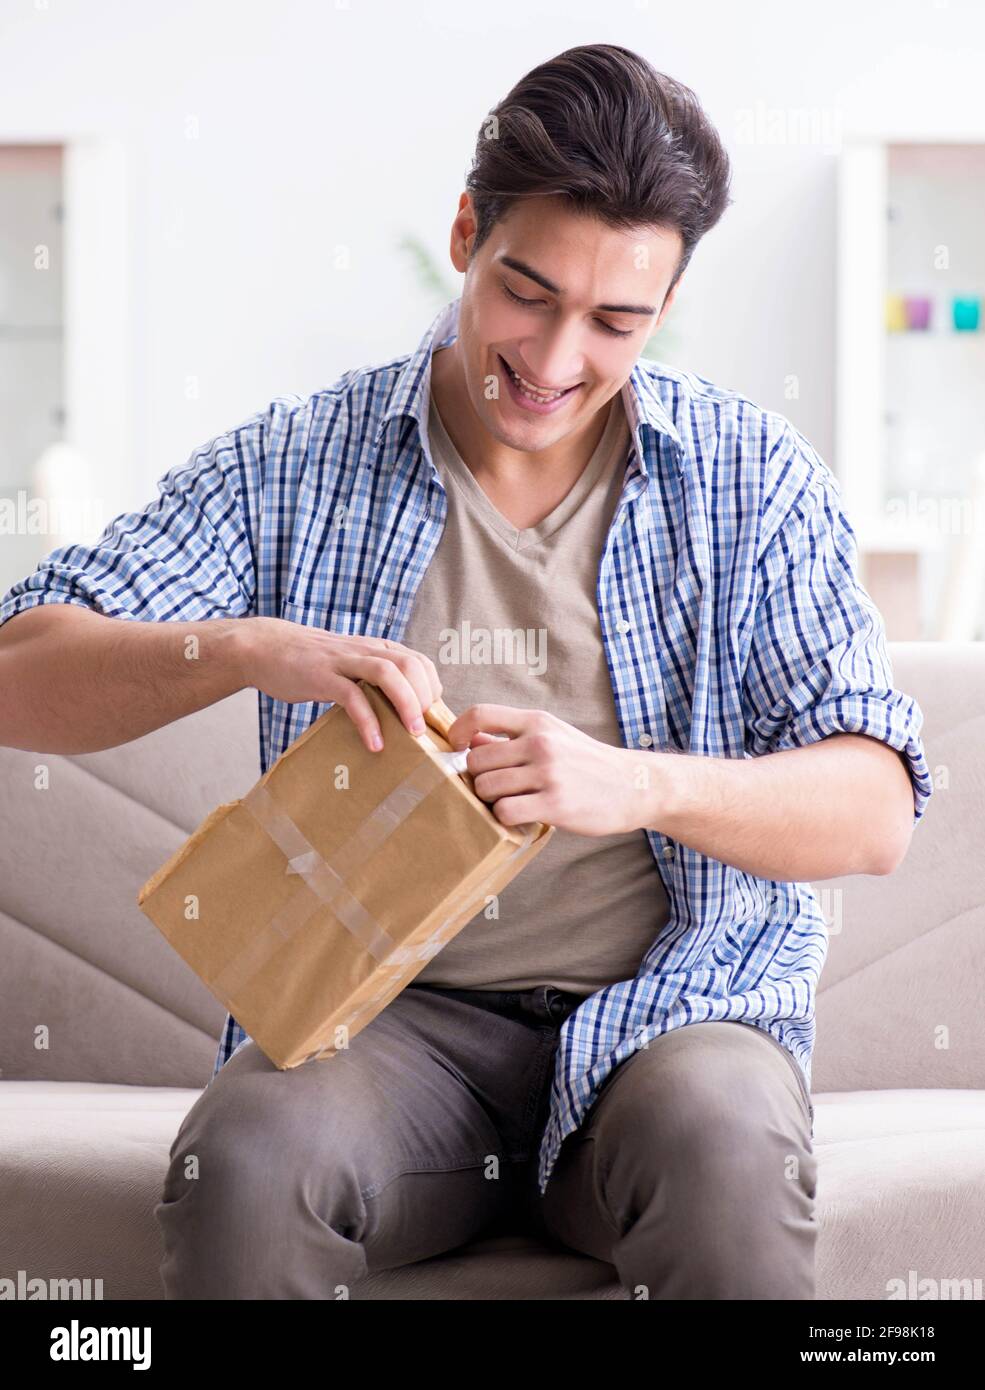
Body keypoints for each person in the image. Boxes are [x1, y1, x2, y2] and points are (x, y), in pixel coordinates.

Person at [0, 43, 932, 1300]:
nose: (552, 360)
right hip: (385, 1024)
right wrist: (248, 647)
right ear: (463, 235)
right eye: (526, 292)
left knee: (726, 1151)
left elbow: (873, 805)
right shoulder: (296, 463)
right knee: (251, 1162)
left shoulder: (750, 479)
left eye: (614, 321)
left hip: (674, 1013)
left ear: (666, 305)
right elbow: (21, 670)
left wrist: (634, 785)